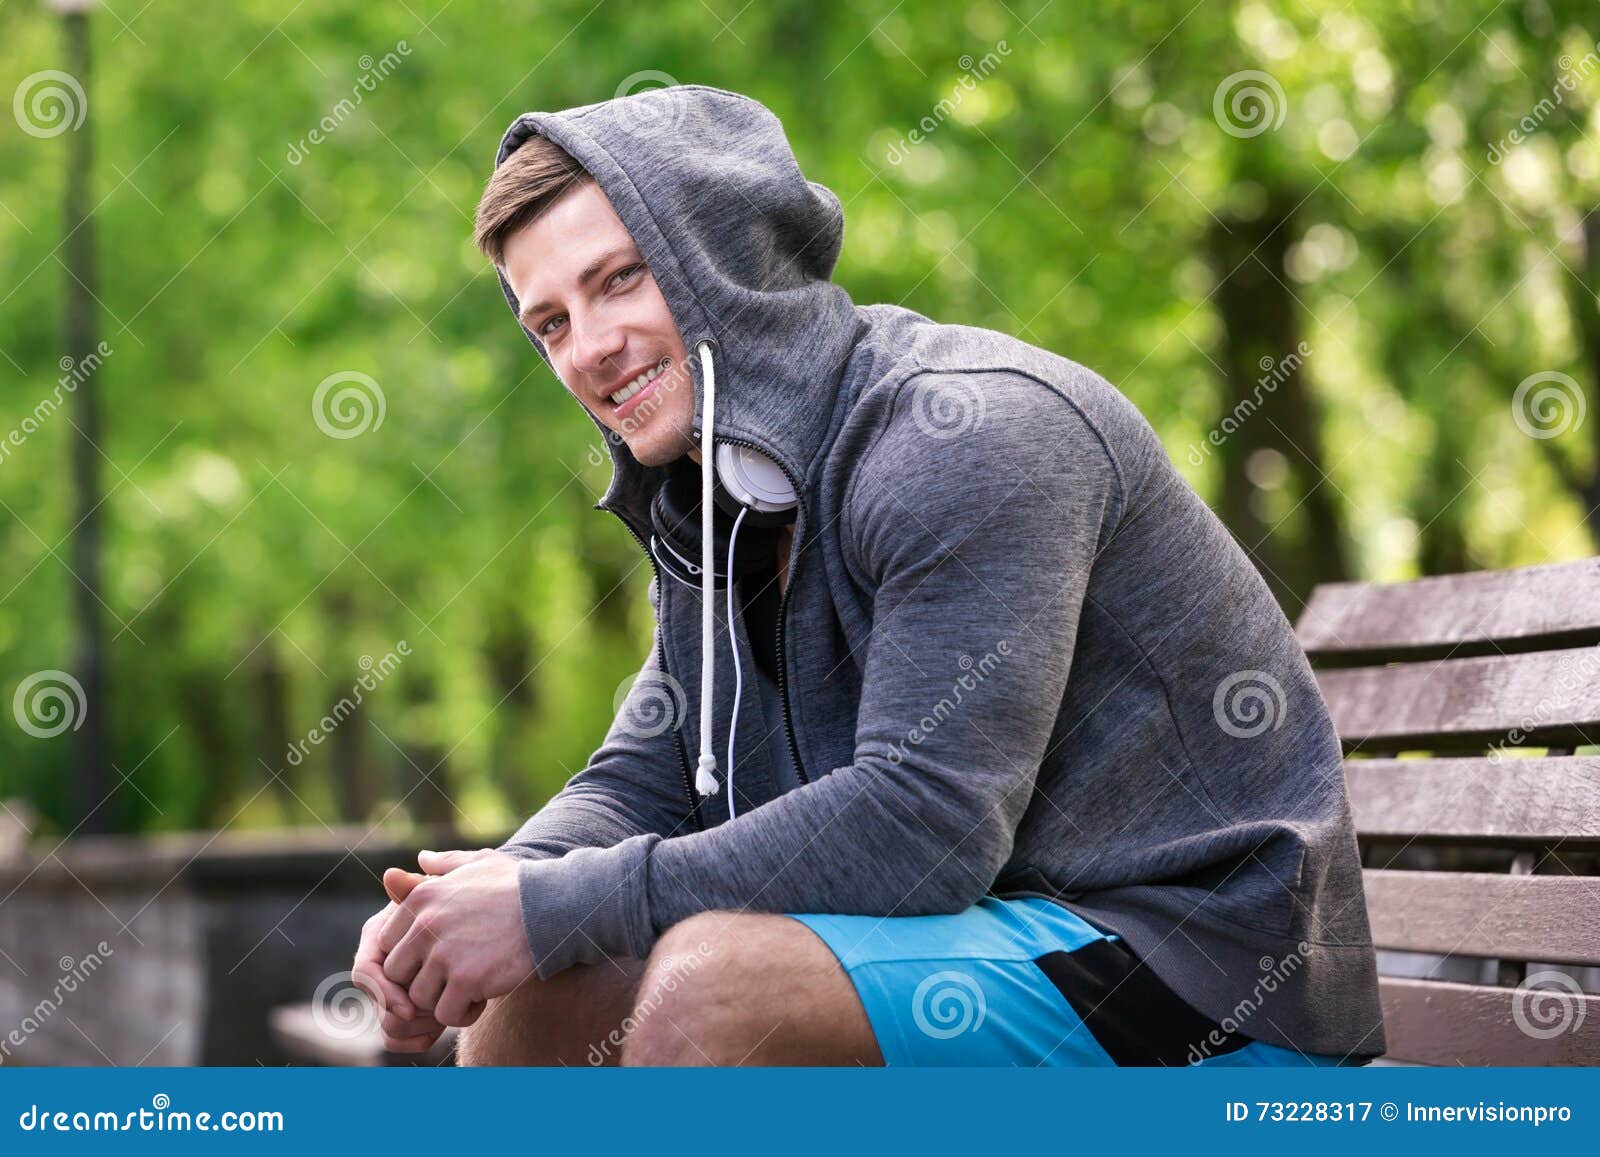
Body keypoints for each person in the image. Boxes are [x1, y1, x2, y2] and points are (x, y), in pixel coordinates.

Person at [350, 85, 1387, 1068]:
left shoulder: (968, 434)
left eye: (620, 278)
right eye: (551, 324)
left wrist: (552, 907)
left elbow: (926, 823)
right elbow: (647, 777)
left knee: (713, 995)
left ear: (724, 260)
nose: (591, 349)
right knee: (538, 995)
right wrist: (463, 907)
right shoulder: (712, 496)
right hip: (978, 940)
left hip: (1195, 971)